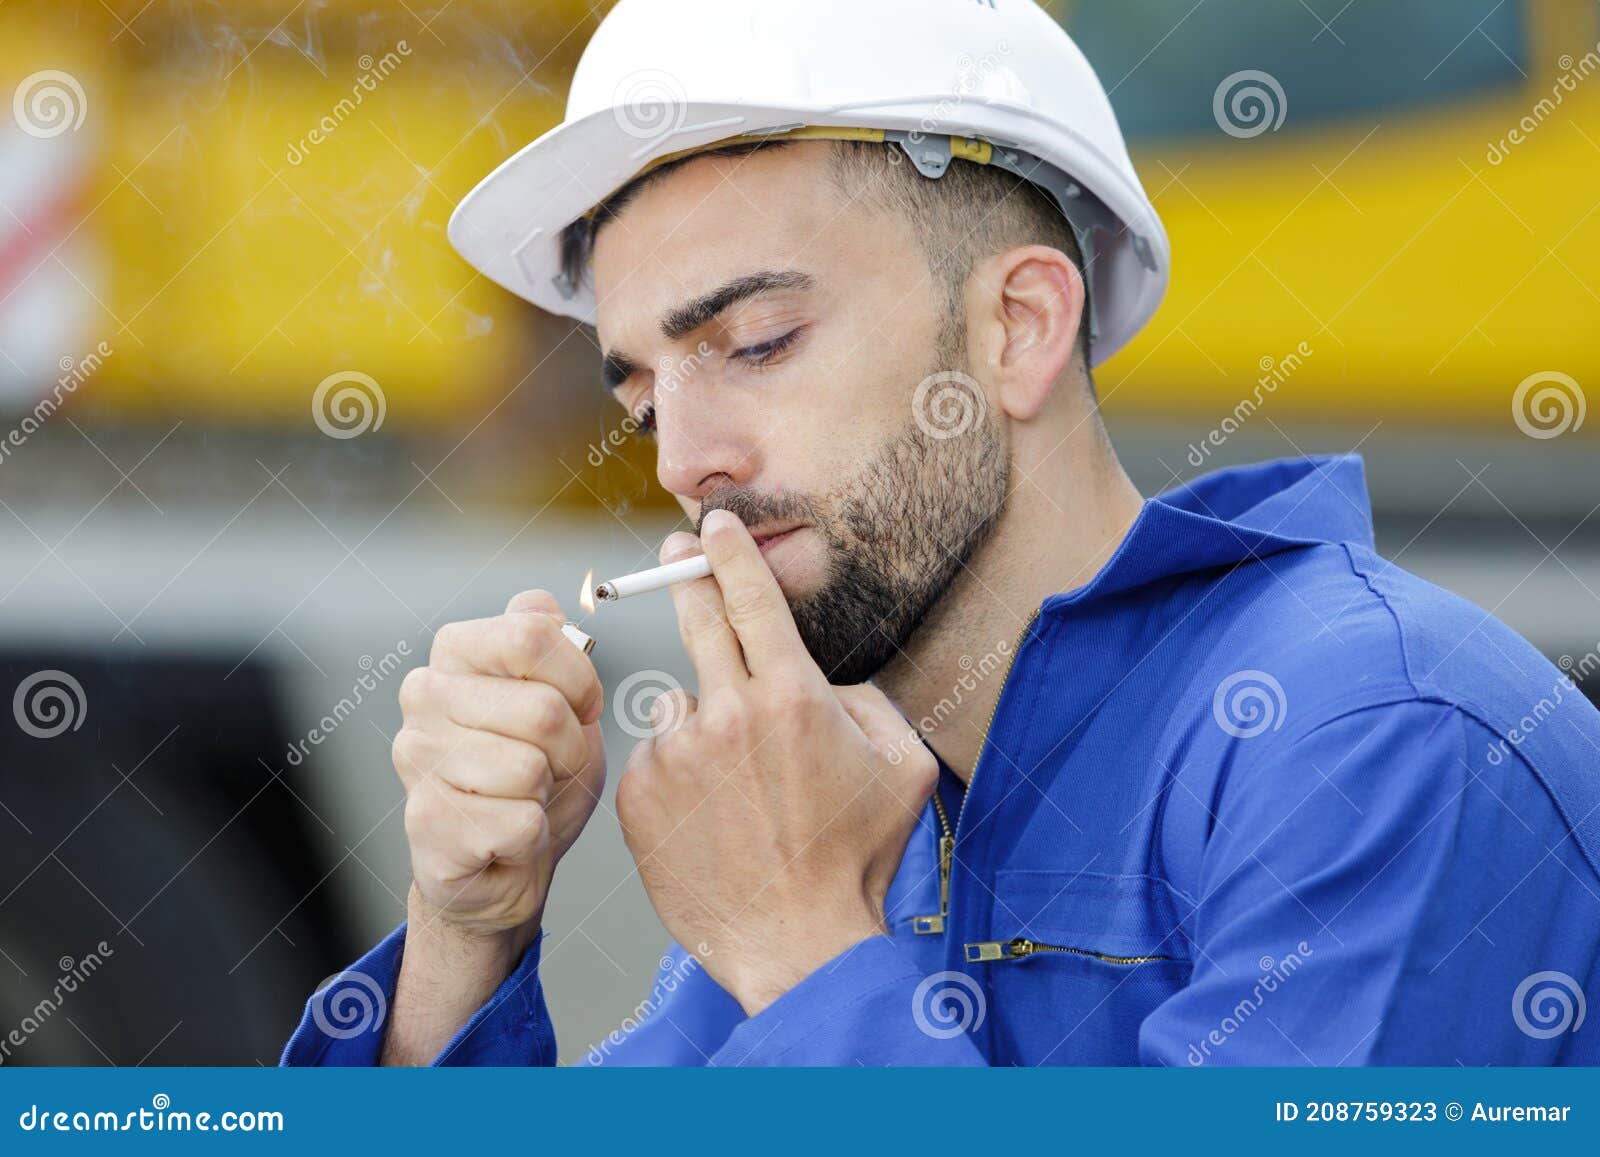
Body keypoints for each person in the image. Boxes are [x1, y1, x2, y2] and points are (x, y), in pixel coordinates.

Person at [283, 0, 1600, 1066]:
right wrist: (464, 935)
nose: (686, 464)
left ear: (1016, 329)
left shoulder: (1378, 748)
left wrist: (804, 942)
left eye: (755, 342)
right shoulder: (870, 813)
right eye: (639, 407)